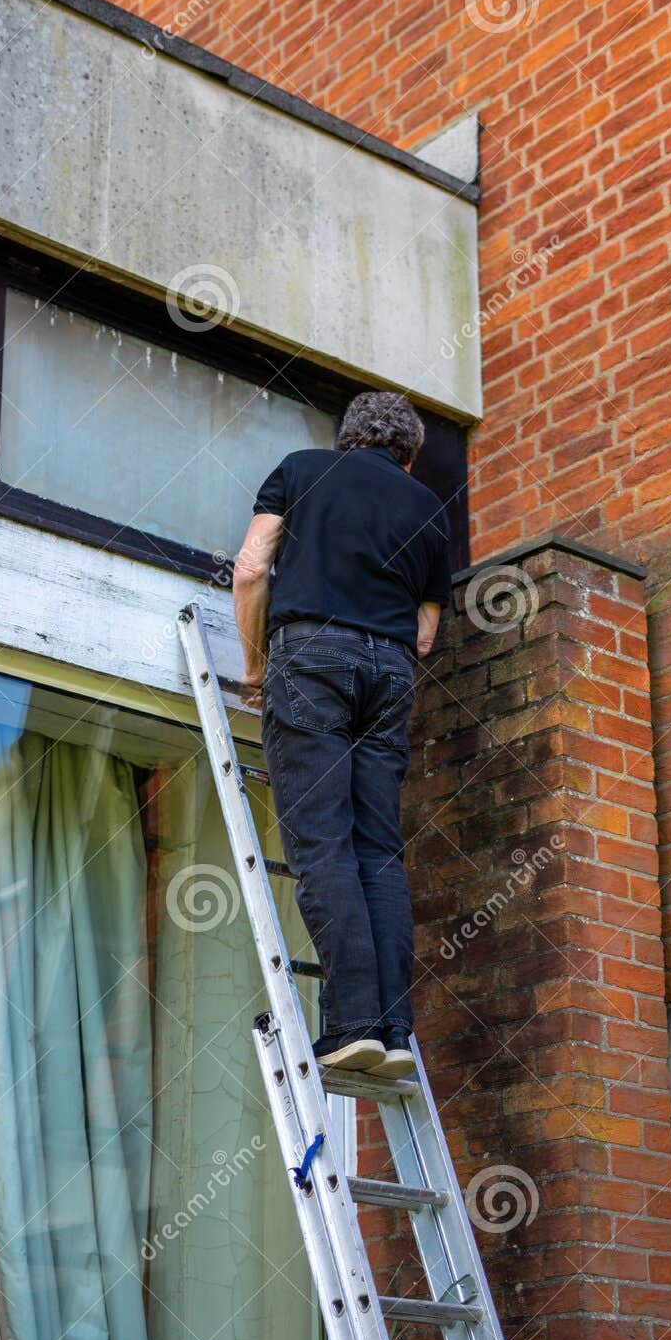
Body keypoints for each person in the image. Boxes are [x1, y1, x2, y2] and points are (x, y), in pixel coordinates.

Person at [232, 390, 451, 1080]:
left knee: (322, 842)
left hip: (310, 656)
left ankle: (353, 1026)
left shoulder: (299, 470)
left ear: (346, 436)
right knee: (377, 849)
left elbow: (249, 569)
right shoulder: (426, 509)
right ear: (408, 456)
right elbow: (423, 634)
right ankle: (389, 1029)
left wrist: (255, 666)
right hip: (388, 672)